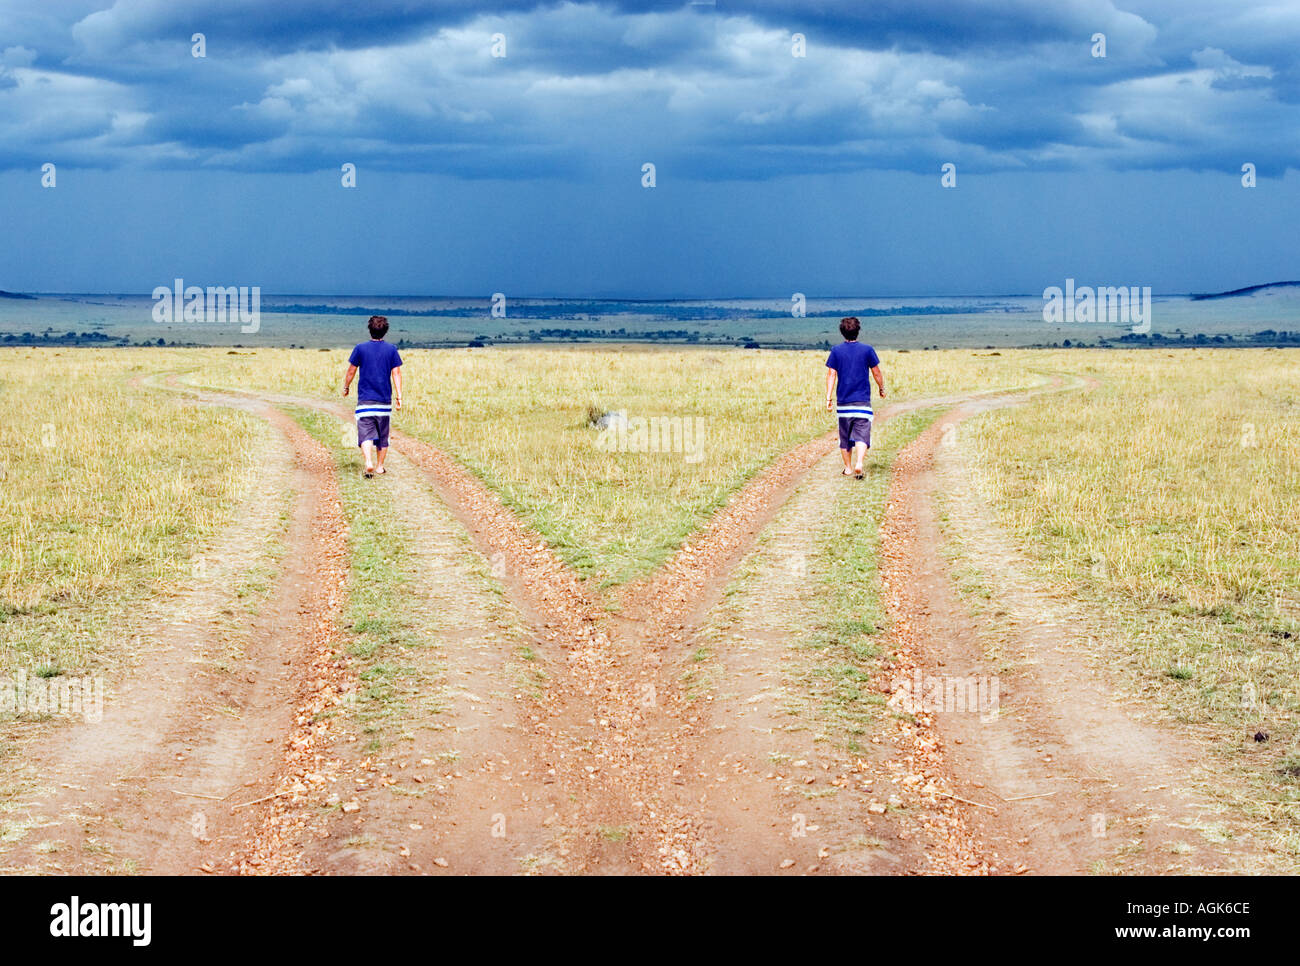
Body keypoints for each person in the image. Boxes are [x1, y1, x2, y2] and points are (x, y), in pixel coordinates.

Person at [342, 315, 403, 478]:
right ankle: (380, 467)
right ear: (385, 331)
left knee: (366, 434)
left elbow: (351, 371)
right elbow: (396, 373)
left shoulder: (360, 348)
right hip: (384, 402)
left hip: (365, 401)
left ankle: (368, 462)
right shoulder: (392, 349)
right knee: (383, 436)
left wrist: (346, 386)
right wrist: (399, 396)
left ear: (369, 330)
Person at [825, 316, 885, 478]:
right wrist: (881, 388)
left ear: (842, 332)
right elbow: (876, 372)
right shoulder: (867, 350)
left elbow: (831, 374)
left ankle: (848, 468)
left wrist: (828, 398)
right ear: (858, 331)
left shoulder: (836, 351)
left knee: (844, 437)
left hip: (843, 403)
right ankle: (859, 462)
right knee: (861, 434)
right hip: (862, 402)